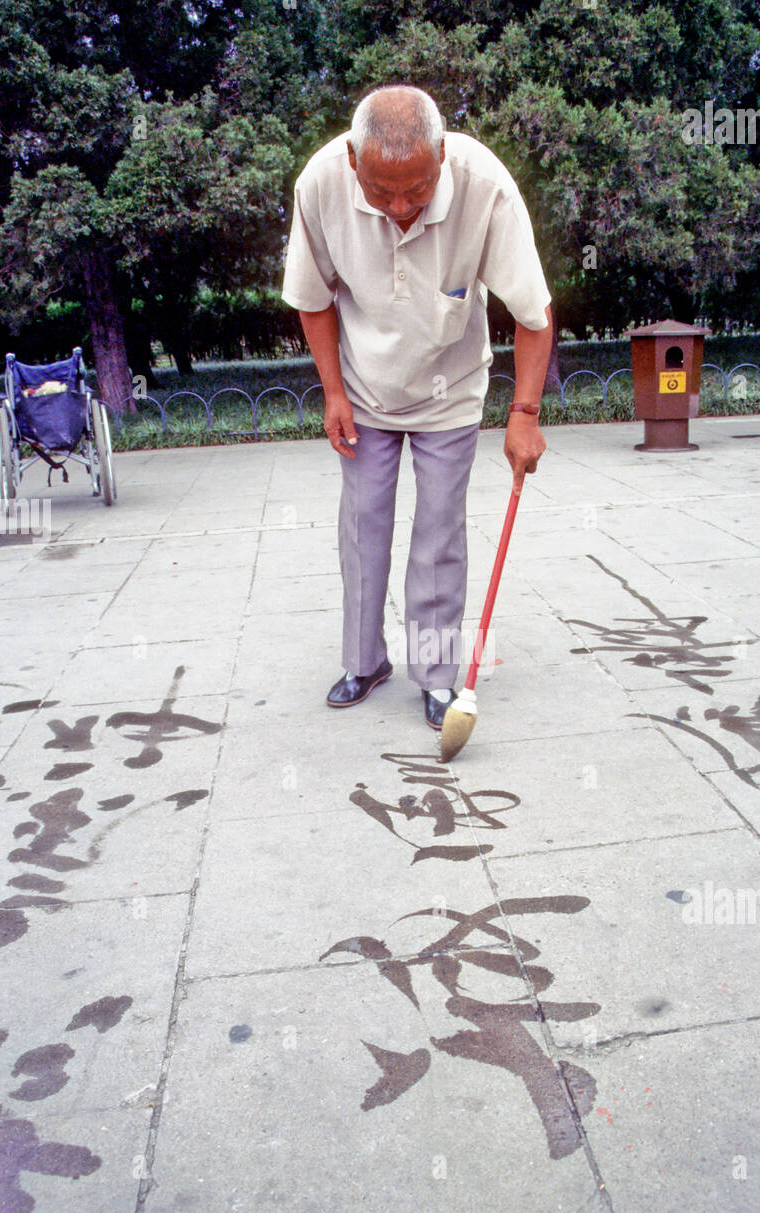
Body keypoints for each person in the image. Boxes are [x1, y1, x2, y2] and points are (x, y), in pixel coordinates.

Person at [282, 85, 553, 730]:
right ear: (353, 162)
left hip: (450, 392)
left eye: (417, 189)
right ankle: (364, 661)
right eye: (382, 190)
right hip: (364, 389)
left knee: (439, 534)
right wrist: (334, 392)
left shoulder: (484, 183)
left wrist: (525, 412)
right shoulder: (320, 183)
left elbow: (534, 314)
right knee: (363, 525)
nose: (401, 207)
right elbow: (312, 298)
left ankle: (436, 676)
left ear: (441, 156)